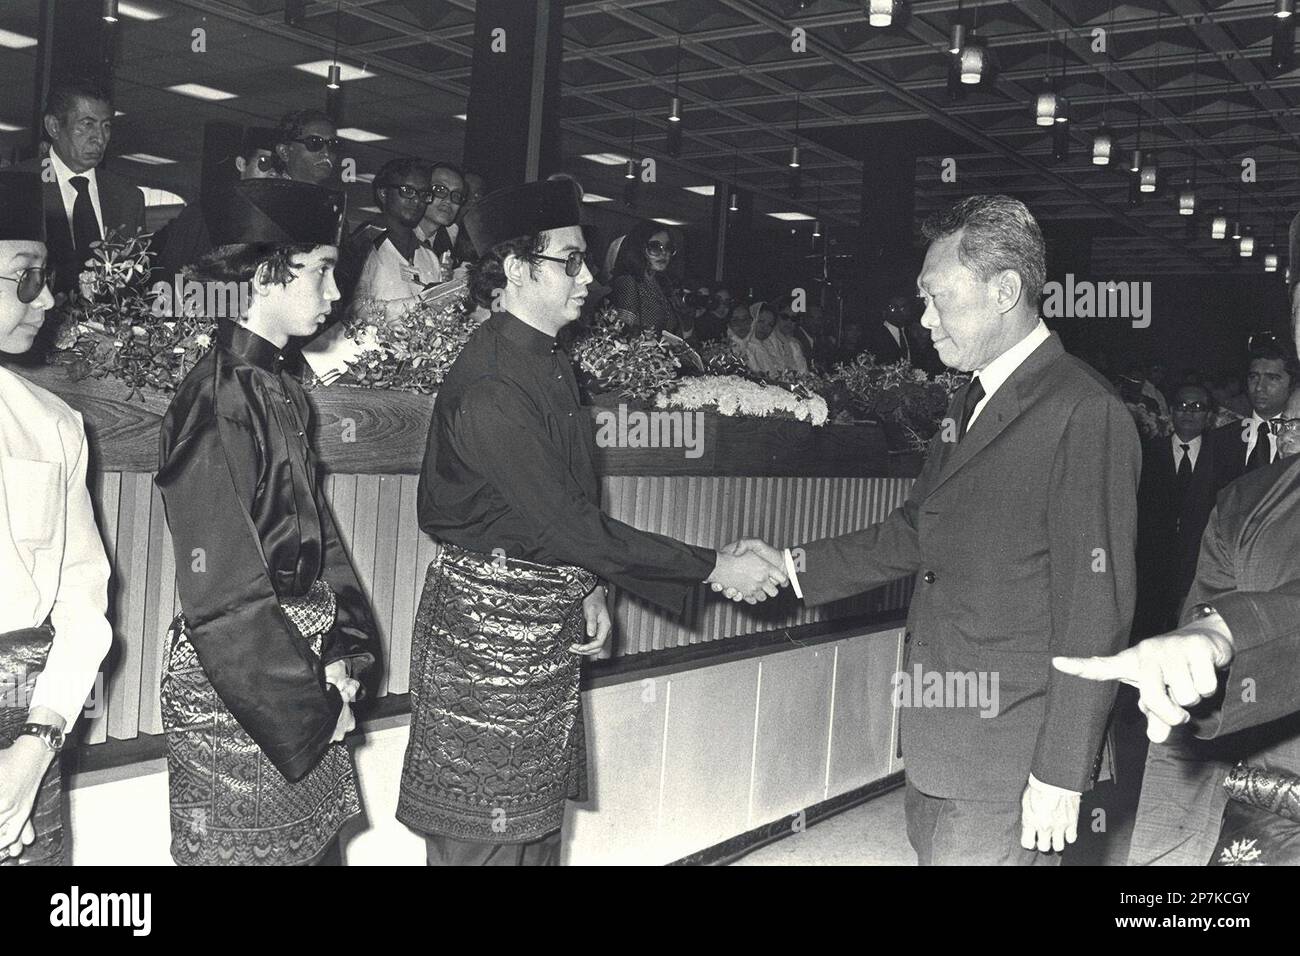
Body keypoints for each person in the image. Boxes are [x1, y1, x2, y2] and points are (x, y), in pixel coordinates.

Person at [725, 195, 1140, 864]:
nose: (923, 320)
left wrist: (1063, 772)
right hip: (941, 743)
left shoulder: (1083, 412)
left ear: (1005, 291)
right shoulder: (970, 397)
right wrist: (791, 563)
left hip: (1010, 757)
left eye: (937, 299)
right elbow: (920, 529)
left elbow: (1098, 608)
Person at [398, 179, 786, 866]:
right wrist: (713, 566)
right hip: (486, 637)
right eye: (569, 261)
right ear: (518, 269)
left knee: (537, 832)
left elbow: (563, 507)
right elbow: (568, 522)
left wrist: (587, 587)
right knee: (484, 840)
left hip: (539, 625)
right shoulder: (494, 383)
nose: (589, 278)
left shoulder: (548, 361)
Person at [154, 179, 379, 866]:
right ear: (263, 274)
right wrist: (314, 706)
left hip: (298, 673)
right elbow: (222, 595)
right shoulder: (214, 398)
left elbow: (320, 540)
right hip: (246, 691)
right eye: (321, 270)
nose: (334, 293)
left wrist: (345, 651)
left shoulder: (276, 387)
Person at [1056, 362, 1300, 864]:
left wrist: (1227, 629)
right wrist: (1200, 632)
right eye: (1289, 427)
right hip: (1262, 780)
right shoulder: (1244, 500)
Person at [0, 171, 112, 866]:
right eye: (23, 277)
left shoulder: (52, 425)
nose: (46, 298)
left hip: (26, 726)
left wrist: (35, 748)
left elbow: (83, 600)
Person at [14, 76, 145, 301]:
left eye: (106, 126)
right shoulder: (17, 186)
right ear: (54, 127)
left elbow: (135, 284)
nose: (99, 138)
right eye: (87, 124)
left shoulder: (128, 197)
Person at [1133, 382, 1219, 637]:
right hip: (1152, 569)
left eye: (1196, 407)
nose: (1188, 412)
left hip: (1198, 568)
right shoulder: (1148, 453)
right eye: (1182, 406)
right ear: (1171, 411)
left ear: (1209, 416)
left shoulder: (1221, 457)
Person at [153, 126, 280, 282]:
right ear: (241, 164)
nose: (273, 172)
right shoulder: (200, 215)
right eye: (264, 163)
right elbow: (168, 274)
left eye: (279, 166)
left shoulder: (278, 225)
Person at [1206, 336, 1298, 489]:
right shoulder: (1219, 440)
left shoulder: (1295, 440)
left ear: (1292, 385)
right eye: (1254, 377)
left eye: (1272, 378)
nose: (1260, 387)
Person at [608, 220, 691, 338]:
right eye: (655, 247)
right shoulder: (629, 282)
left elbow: (679, 335)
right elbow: (621, 335)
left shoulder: (664, 285)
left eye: (668, 247)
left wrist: (686, 315)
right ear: (639, 248)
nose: (664, 253)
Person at [414, 161, 469, 282]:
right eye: (439, 190)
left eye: (456, 195)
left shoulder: (447, 244)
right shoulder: (395, 237)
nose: (448, 200)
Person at [272, 109, 340, 186]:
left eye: (333, 144)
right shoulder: (270, 194)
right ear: (284, 152)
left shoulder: (332, 196)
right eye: (314, 142)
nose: (326, 153)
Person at [739, 301, 806, 376]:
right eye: (761, 321)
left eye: (770, 325)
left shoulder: (771, 347)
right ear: (752, 320)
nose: (764, 327)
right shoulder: (744, 346)